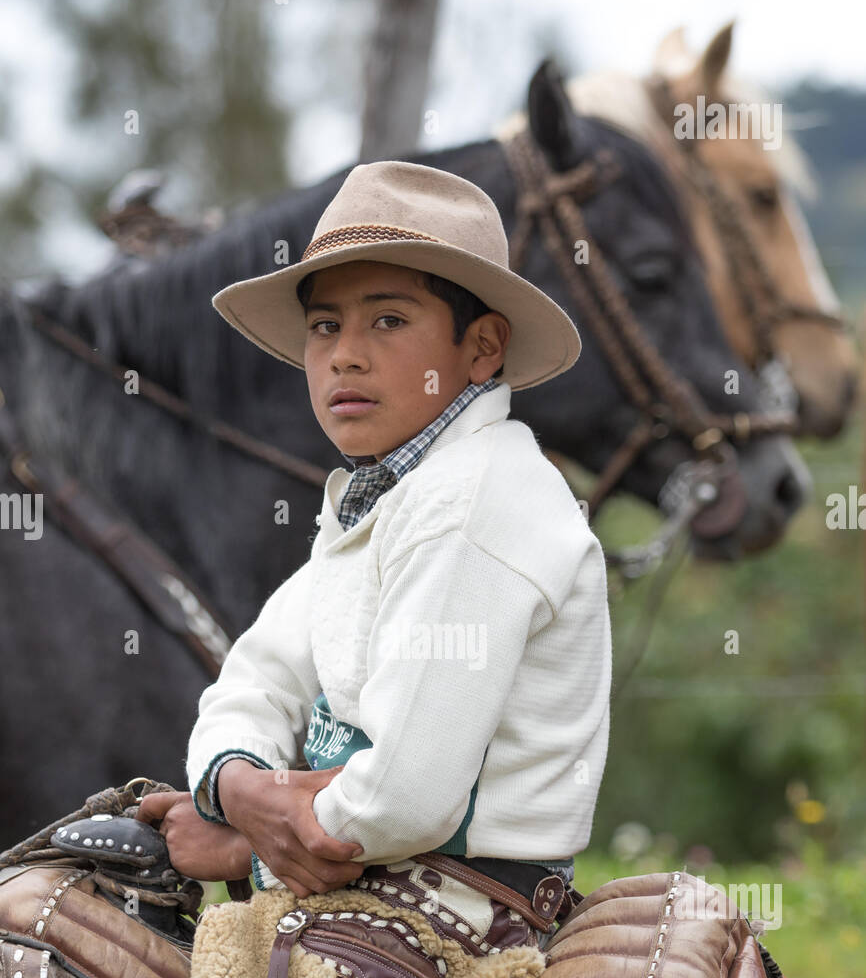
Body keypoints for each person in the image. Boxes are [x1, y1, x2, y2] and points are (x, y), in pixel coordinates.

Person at [138, 158, 612, 923]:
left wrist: (243, 846)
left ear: (484, 346)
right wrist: (235, 785)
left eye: (387, 320)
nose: (344, 354)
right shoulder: (386, 498)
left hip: (452, 916)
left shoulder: (476, 499)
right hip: (368, 889)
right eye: (325, 325)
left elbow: (405, 797)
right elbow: (252, 683)